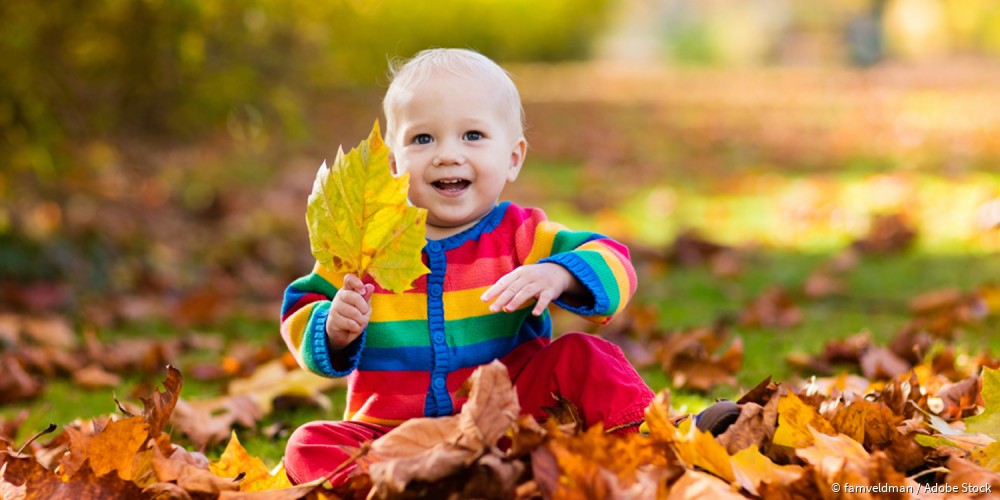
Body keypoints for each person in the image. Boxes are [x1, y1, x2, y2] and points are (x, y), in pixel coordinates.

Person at [279, 48, 654, 486]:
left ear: (513, 158)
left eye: (472, 135)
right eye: (423, 139)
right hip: (394, 438)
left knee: (585, 356)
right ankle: (413, 488)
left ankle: (649, 442)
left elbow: (615, 261)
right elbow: (300, 306)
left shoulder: (522, 233)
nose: (447, 155)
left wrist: (560, 273)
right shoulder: (367, 244)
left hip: (511, 420)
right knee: (308, 445)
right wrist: (330, 329)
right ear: (393, 164)